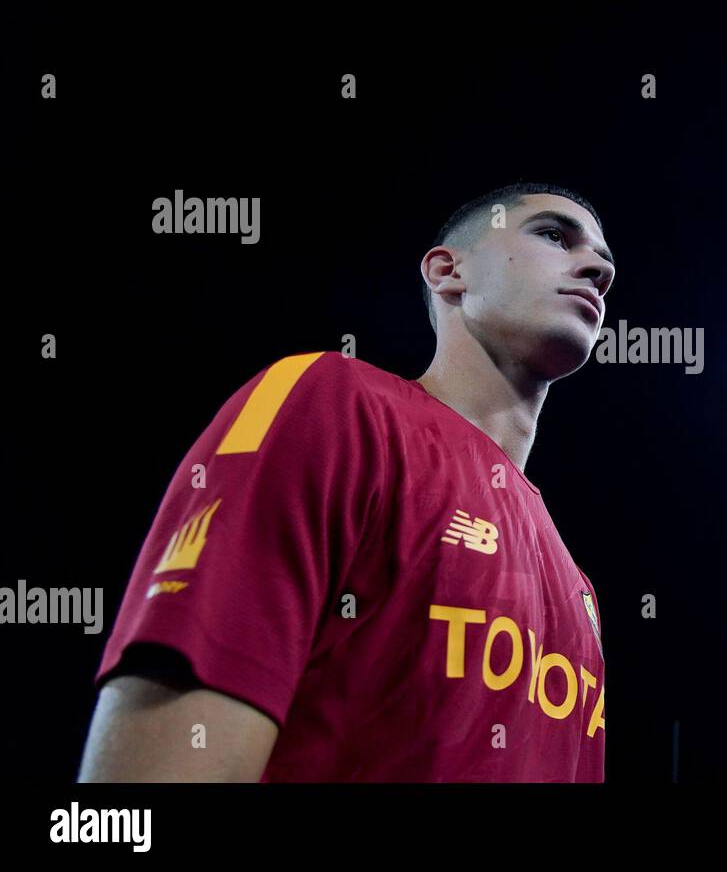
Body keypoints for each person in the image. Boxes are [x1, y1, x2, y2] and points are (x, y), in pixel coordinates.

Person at [78, 182, 615, 781]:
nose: (596, 268)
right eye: (553, 235)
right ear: (448, 272)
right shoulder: (331, 403)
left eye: (604, 264)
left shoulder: (580, 593)